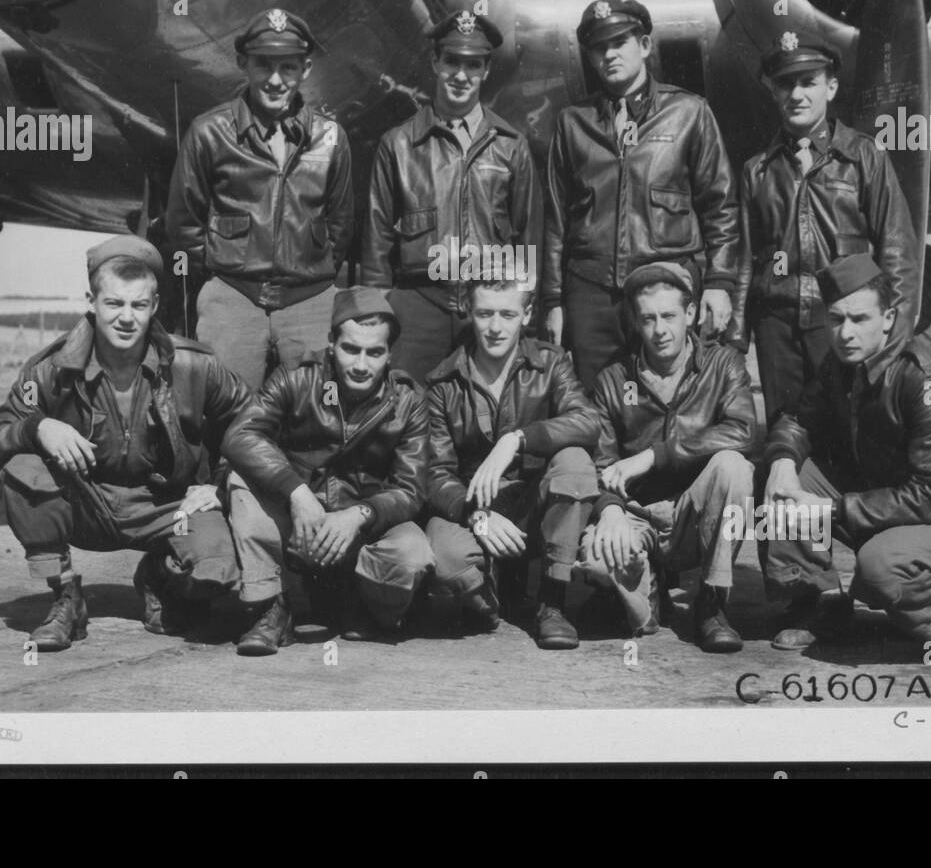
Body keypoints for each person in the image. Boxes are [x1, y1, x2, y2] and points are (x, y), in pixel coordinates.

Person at [0, 235, 279, 652]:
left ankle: (159, 576)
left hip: (168, 507)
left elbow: (254, 419)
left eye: (138, 305)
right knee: (23, 469)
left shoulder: (192, 364)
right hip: (88, 501)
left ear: (154, 307)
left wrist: (220, 482)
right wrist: (37, 428)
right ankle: (65, 597)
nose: (126, 318)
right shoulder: (50, 371)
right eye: (114, 303)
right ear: (91, 302)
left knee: (217, 573)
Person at [761, 255, 931, 659]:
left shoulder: (925, 380)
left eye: (860, 319)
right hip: (882, 497)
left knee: (879, 568)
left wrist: (830, 509)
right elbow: (799, 418)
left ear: (888, 318)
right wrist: (782, 460)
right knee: (782, 482)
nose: (845, 333)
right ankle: (817, 600)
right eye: (836, 320)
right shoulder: (841, 365)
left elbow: (926, 496)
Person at [542, 0, 740, 389]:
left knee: (671, 401)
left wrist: (720, 282)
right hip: (592, 294)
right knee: (596, 404)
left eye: (620, 42)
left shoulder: (689, 113)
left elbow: (721, 207)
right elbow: (554, 222)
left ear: (645, 46)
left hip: (665, 287)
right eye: (599, 47)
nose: (609, 54)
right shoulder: (571, 124)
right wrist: (552, 301)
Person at [224, 287, 433, 653]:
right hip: (298, 522)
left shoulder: (409, 402)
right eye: (351, 349)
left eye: (375, 352)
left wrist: (360, 514)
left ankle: (360, 602)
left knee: (413, 555)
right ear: (331, 342)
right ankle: (269, 607)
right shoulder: (295, 377)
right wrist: (296, 493)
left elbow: (411, 489)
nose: (361, 365)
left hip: (362, 529)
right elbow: (241, 435)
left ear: (389, 354)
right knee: (239, 478)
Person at [729, 31, 919, 428]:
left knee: (850, 431)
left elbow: (897, 248)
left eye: (808, 82)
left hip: (839, 319)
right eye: (785, 83)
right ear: (773, 91)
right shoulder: (756, 170)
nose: (796, 94)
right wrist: (735, 339)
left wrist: (893, 333)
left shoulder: (865, 156)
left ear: (830, 87)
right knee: (785, 430)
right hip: (775, 324)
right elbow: (744, 262)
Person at [166, 7, 353, 390]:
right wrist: (228, 269)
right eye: (263, 65)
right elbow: (184, 223)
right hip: (234, 297)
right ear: (243, 64)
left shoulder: (331, 137)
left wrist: (311, 270)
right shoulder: (208, 132)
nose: (274, 79)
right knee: (226, 413)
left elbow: (342, 222)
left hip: (309, 300)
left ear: (306, 69)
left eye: (288, 67)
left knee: (312, 416)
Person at [578, 263, 756, 651]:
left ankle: (712, 601)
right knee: (595, 559)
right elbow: (600, 461)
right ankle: (646, 594)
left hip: (693, 515)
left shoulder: (722, 364)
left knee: (733, 467)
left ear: (690, 314)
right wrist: (609, 510)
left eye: (670, 316)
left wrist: (655, 457)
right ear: (635, 322)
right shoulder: (614, 379)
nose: (660, 330)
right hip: (636, 514)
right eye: (648, 318)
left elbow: (743, 432)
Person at [362, 9, 542, 382]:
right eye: (452, 62)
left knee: (485, 411)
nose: (461, 75)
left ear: (486, 70)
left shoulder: (511, 146)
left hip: (486, 302)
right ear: (435, 62)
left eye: (472, 65)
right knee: (404, 406)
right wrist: (378, 310)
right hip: (418, 303)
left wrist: (523, 303)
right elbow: (377, 239)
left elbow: (528, 236)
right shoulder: (397, 144)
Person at [422, 278, 601, 649]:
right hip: (478, 510)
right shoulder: (443, 382)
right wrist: (476, 514)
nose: (495, 327)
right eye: (485, 313)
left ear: (528, 314)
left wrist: (517, 439)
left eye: (508, 314)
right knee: (446, 558)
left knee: (576, 463)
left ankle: (553, 600)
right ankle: (488, 593)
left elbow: (587, 421)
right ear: (469, 312)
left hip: (535, 507)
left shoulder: (550, 363)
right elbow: (435, 473)